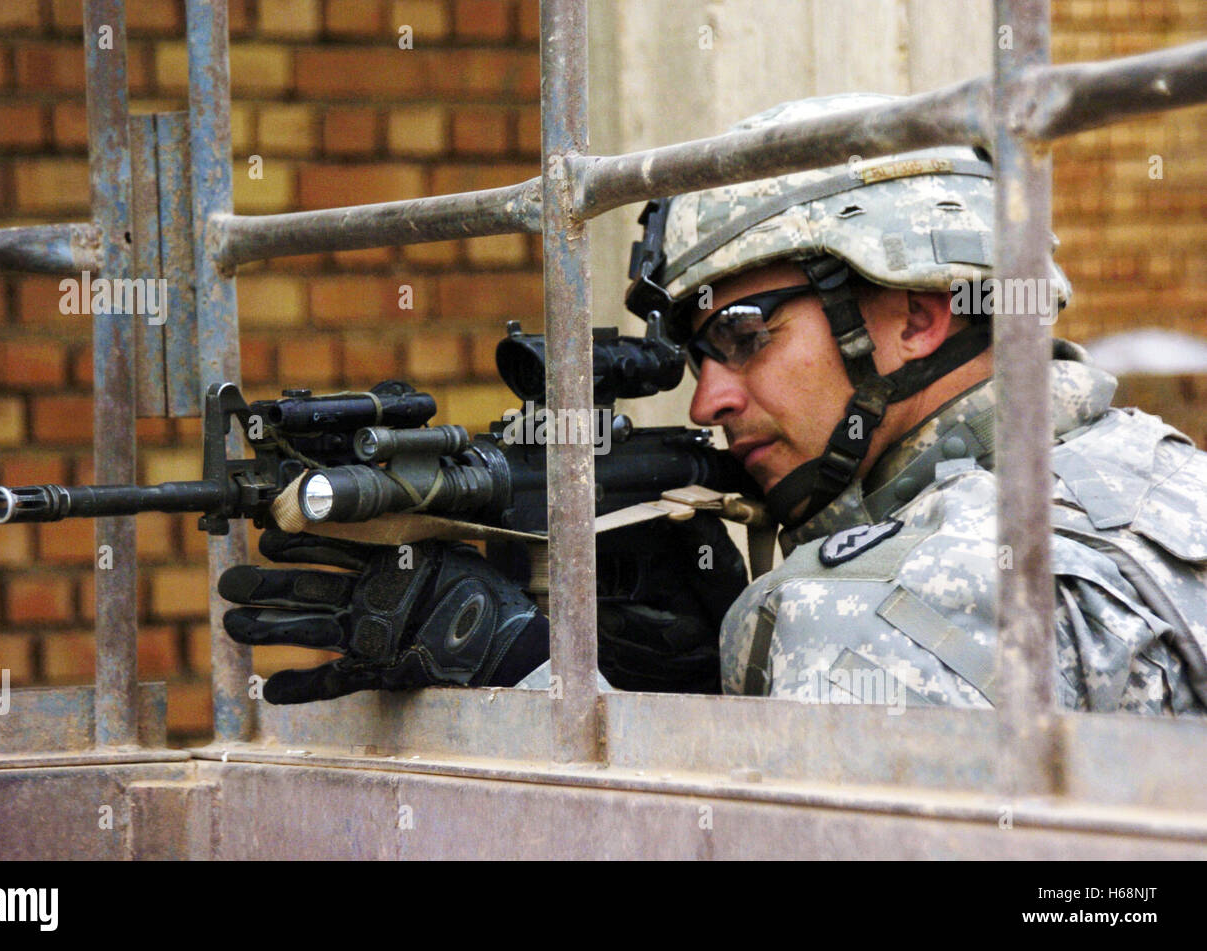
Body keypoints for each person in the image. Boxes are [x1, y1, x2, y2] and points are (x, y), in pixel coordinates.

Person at [221, 93, 1207, 715]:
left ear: (916, 316)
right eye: (696, 353)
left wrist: (526, 677)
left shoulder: (860, 610)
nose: (708, 398)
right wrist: (705, 693)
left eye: (743, 336)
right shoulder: (1165, 475)